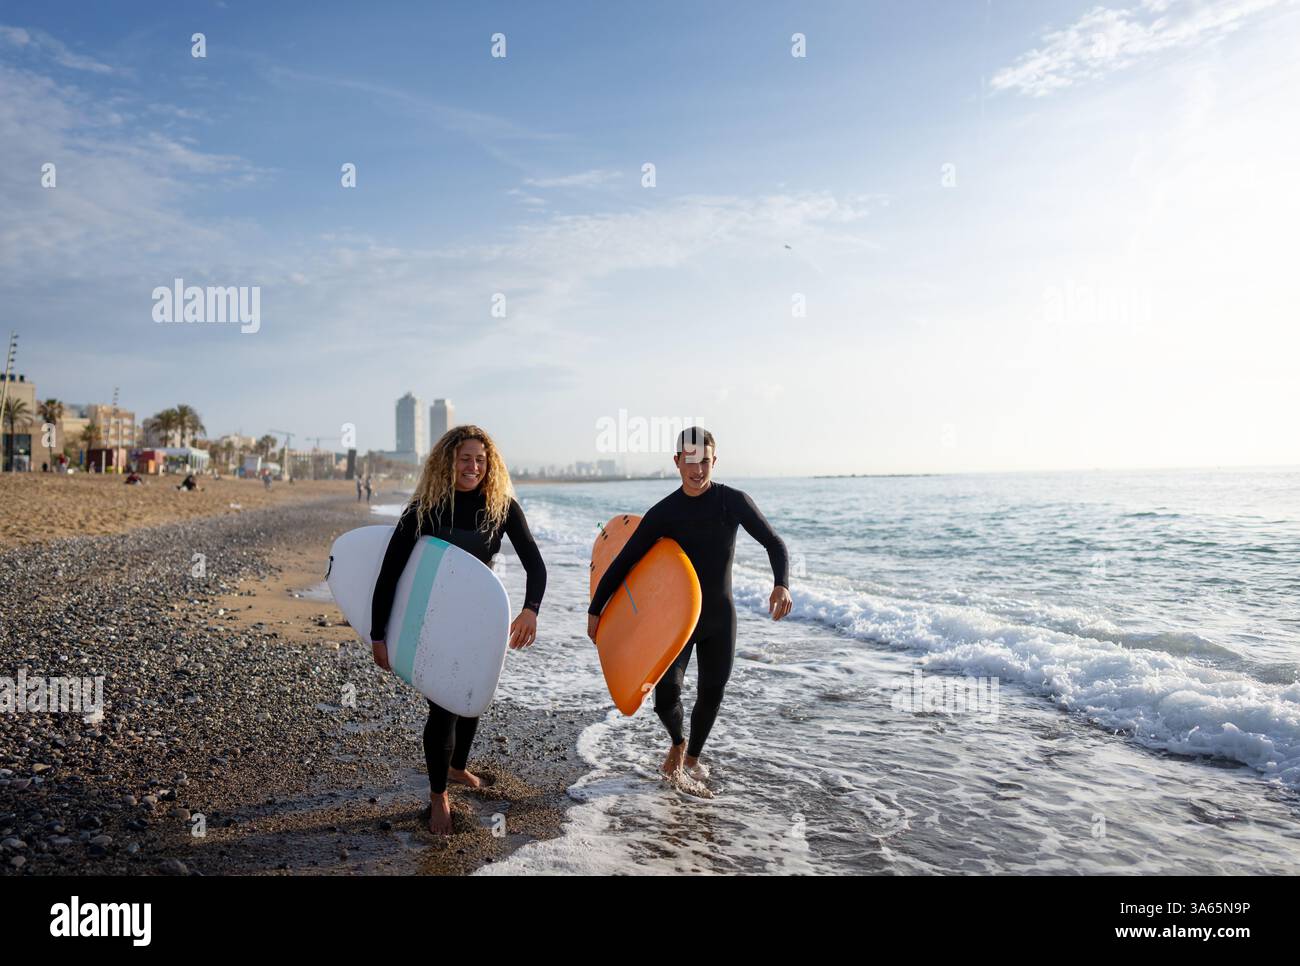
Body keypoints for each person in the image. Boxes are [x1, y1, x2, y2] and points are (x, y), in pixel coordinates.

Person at [587, 427, 792, 793]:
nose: (698, 470)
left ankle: (693, 758)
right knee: (666, 697)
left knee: (712, 692)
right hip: (674, 623)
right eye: (690, 461)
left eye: (705, 461)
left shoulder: (732, 501)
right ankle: (677, 742)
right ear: (677, 462)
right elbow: (624, 561)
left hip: (718, 616)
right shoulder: (665, 513)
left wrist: (781, 583)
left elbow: (773, 542)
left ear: (714, 461)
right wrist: (596, 609)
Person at [370, 425, 546, 835]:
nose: (473, 467)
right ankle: (438, 797)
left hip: (480, 621)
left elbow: (535, 565)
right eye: (465, 458)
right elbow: (389, 574)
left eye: (480, 460)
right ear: (448, 461)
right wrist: (380, 635)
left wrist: (530, 611)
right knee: (444, 706)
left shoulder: (501, 507)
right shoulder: (425, 508)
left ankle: (456, 767)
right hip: (435, 621)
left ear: (491, 465)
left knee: (473, 695)